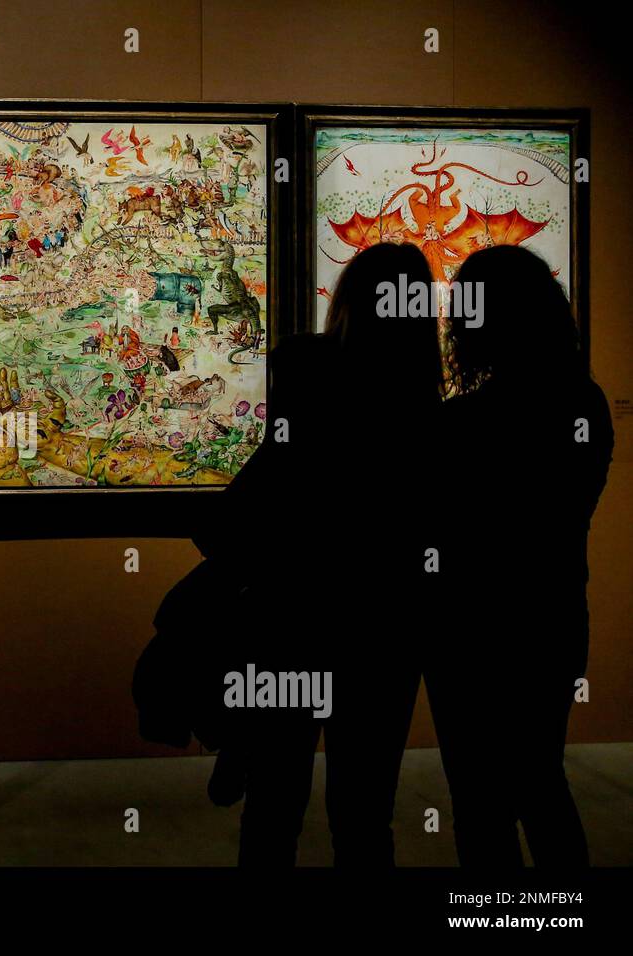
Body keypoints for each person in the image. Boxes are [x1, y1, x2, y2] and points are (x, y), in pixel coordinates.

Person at [198, 242, 443, 865]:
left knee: (274, 804)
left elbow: (268, 486)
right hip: (384, 628)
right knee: (364, 816)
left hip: (293, 617)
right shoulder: (428, 408)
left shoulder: (303, 366)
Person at [427, 245, 612, 867]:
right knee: (541, 781)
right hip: (554, 618)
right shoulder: (585, 404)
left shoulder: (463, 424)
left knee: (481, 804)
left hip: (470, 633)